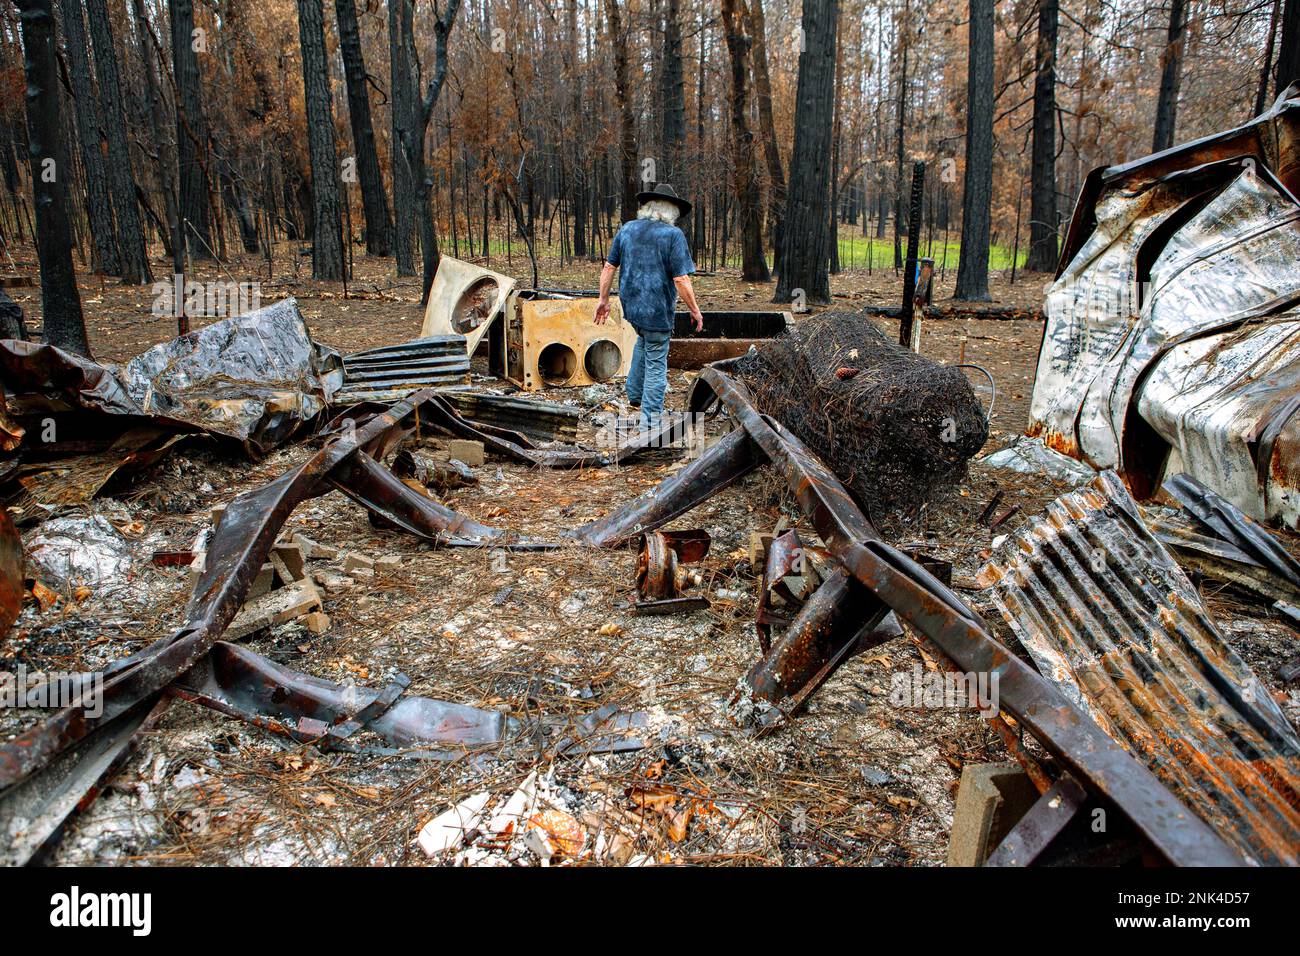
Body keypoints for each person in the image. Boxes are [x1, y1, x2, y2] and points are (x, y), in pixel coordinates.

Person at [595, 183, 703, 432]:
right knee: (656, 361)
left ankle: (634, 394)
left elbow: (609, 267)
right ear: (671, 211)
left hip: (632, 307)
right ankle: (650, 424)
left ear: (649, 207)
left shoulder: (628, 229)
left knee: (643, 341)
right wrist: (695, 310)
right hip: (656, 310)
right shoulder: (672, 236)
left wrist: (604, 300)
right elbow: (681, 279)